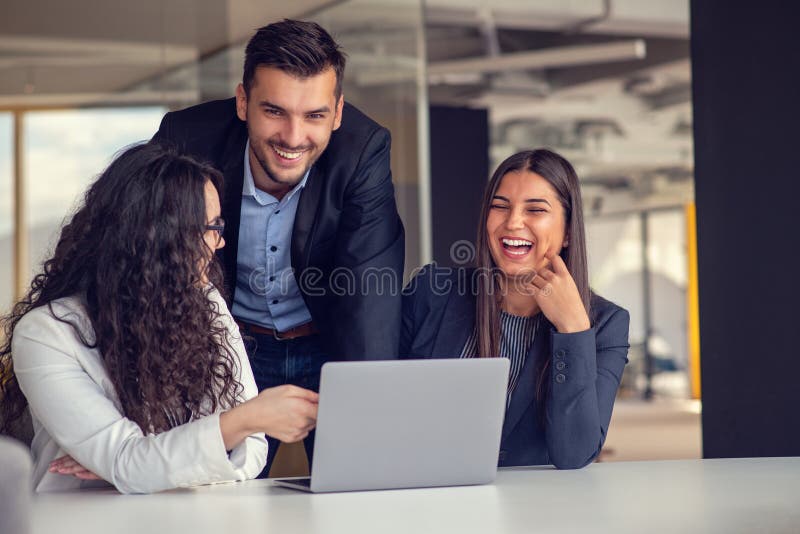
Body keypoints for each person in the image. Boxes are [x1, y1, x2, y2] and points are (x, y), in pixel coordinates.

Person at [151, 19, 404, 473]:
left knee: (361, 488)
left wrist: (369, 418)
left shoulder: (363, 151)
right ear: (243, 102)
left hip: (327, 344)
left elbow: (371, 294)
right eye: (275, 111)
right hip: (228, 343)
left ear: (338, 112)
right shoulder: (186, 141)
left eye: (314, 116)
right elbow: (144, 265)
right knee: (214, 496)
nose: (293, 136)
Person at [0, 143, 320, 493]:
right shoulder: (46, 334)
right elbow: (130, 462)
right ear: (159, 238)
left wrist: (139, 465)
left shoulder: (206, 303)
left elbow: (252, 453)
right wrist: (242, 421)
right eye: (212, 227)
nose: (221, 242)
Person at [400, 149, 629, 469]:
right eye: (500, 206)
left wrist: (574, 329)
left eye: (535, 209)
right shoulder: (432, 291)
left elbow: (574, 453)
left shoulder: (606, 323)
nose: (513, 222)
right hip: (427, 495)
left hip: (530, 511)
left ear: (567, 231)